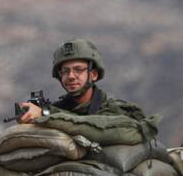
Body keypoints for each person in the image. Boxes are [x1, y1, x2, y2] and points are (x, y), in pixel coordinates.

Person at [16, 39, 145, 122]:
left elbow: (92, 126)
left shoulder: (117, 112)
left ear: (93, 75)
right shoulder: (57, 108)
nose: (71, 76)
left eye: (78, 69)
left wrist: (47, 115)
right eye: (65, 71)